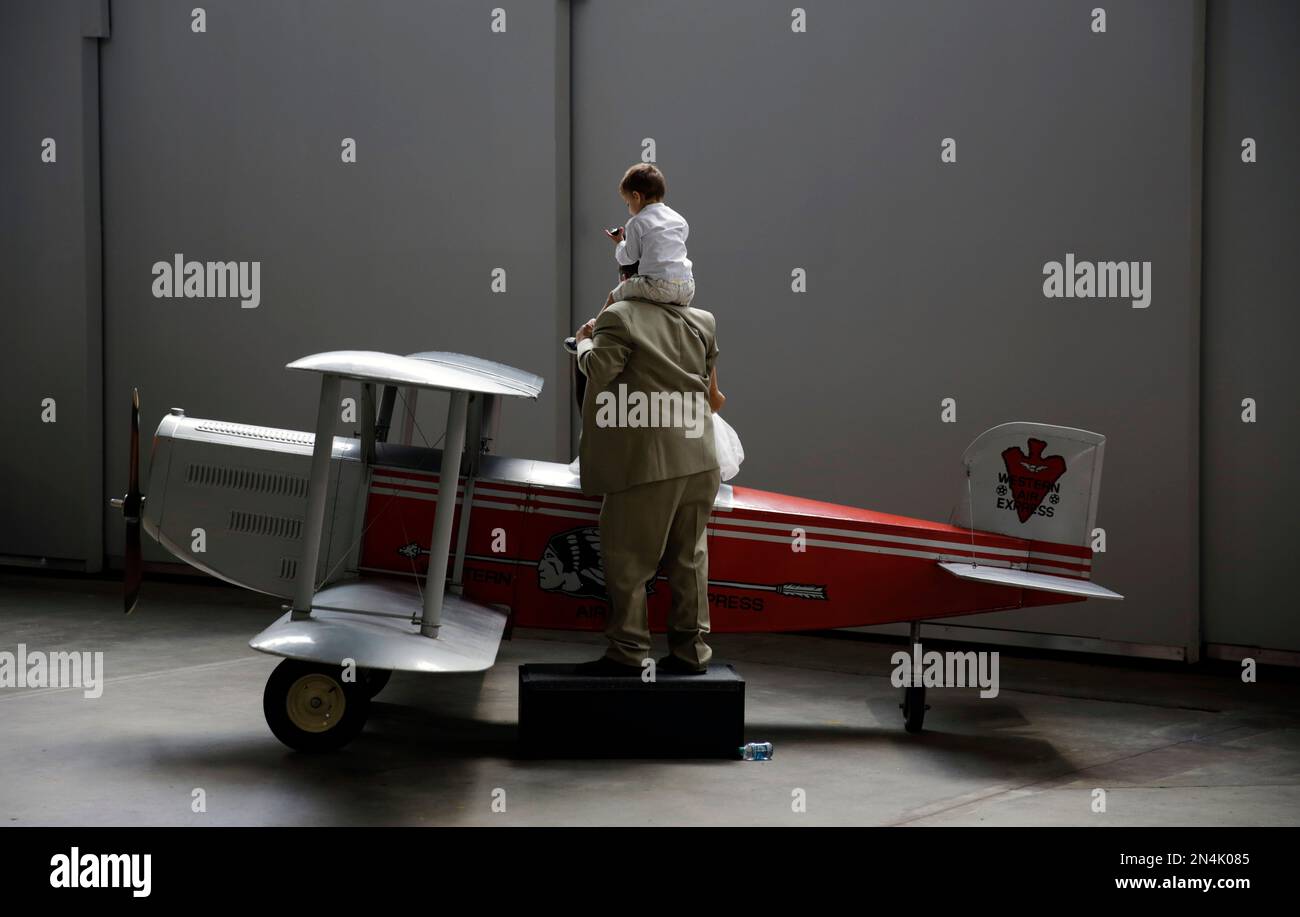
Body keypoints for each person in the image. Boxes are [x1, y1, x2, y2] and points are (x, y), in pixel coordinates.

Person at [571, 295, 721, 676]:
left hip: (649, 459)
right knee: (689, 559)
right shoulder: (702, 320)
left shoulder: (618, 317)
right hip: (701, 455)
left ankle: (628, 650)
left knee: (628, 560)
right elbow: (712, 395)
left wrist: (585, 341)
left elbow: (600, 369)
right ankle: (693, 653)